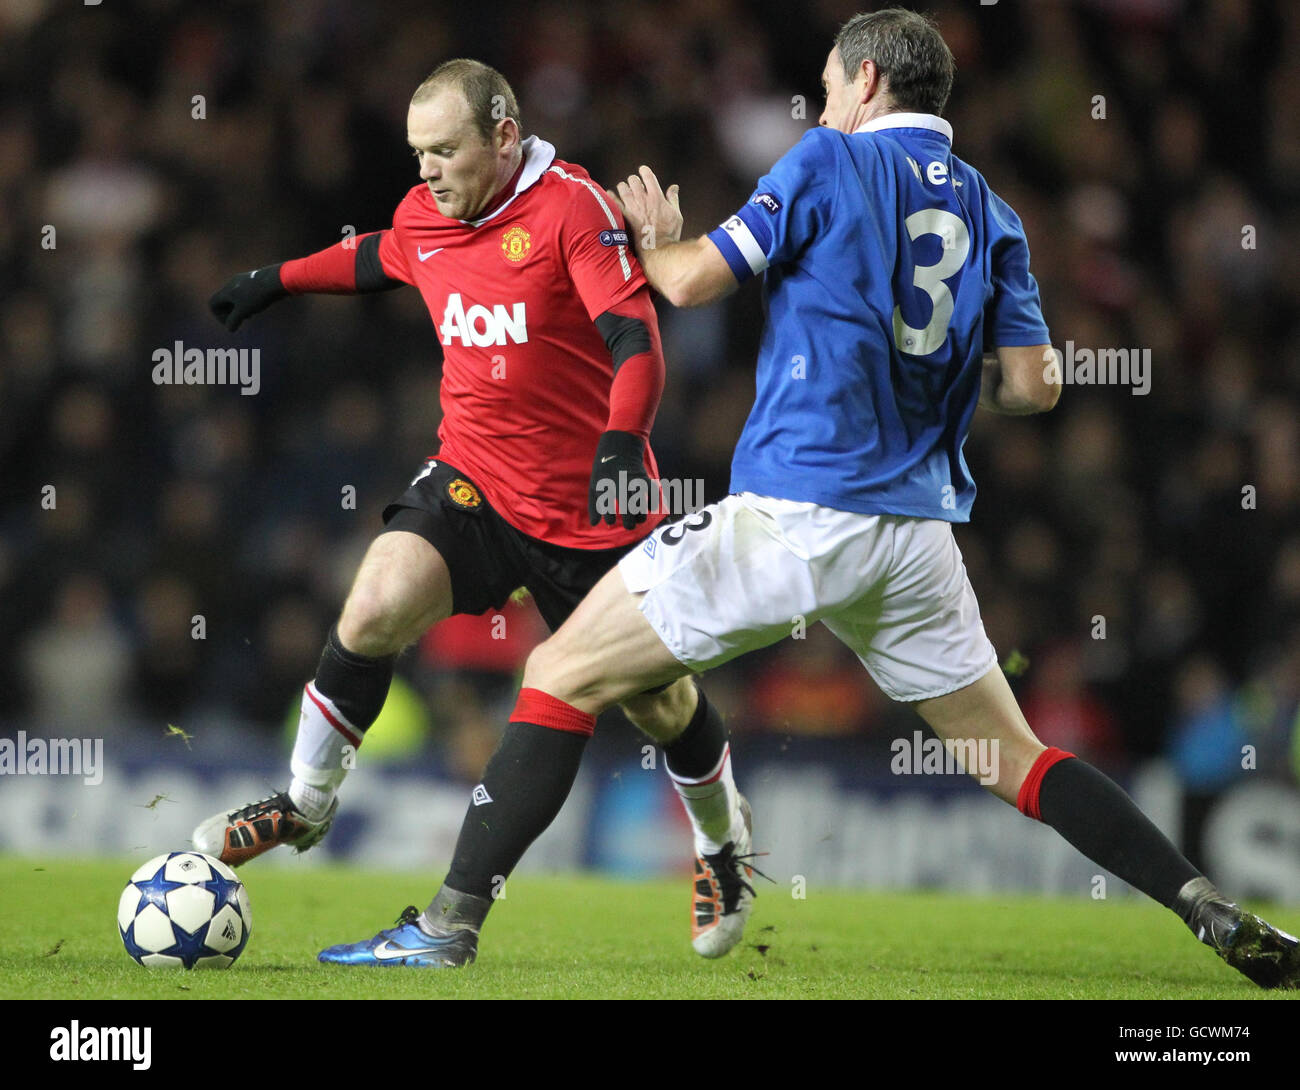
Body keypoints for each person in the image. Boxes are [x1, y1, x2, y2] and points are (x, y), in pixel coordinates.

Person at [319, 10, 1298, 987]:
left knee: (558, 672)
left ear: (866, 81)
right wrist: (948, 376)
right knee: (1013, 756)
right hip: (916, 536)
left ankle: (450, 922)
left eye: (829, 80)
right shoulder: (990, 210)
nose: (823, 97)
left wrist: (658, 242)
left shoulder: (826, 162)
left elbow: (696, 282)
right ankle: (1198, 901)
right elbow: (1033, 386)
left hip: (796, 513)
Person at [194, 59, 756, 966]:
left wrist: (621, 444)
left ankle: (722, 846)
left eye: (444, 151)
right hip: (475, 480)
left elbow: (636, 339)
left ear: (503, 136)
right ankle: (302, 805)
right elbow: (379, 253)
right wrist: (278, 278)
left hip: (591, 514)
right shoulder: (431, 210)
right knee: (373, 602)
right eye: (418, 154)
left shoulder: (572, 207)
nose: (426, 172)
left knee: (661, 706)